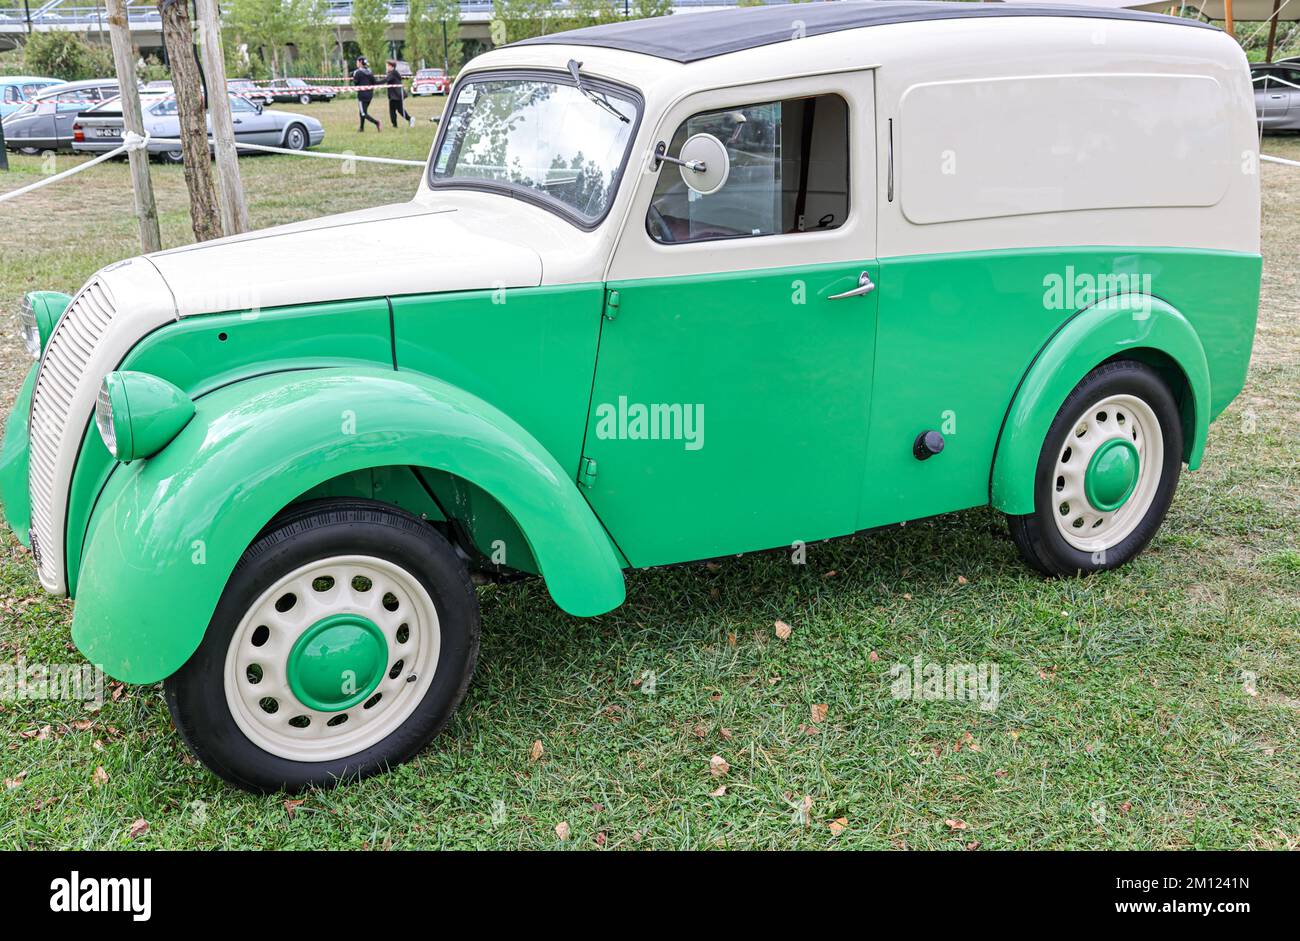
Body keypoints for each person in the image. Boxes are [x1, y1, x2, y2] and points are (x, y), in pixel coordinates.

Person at [352, 56, 381, 133]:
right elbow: (374, 82)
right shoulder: (369, 72)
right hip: (369, 95)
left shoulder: (357, 72)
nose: (356, 63)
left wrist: (353, 76)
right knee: (362, 111)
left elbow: (355, 83)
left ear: (360, 62)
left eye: (357, 62)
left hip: (362, 96)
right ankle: (361, 128)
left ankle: (376, 122)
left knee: (363, 113)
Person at [385, 59, 413, 128]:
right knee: (394, 110)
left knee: (397, 110)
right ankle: (395, 124)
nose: (386, 67)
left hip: (396, 96)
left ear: (391, 67)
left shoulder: (393, 73)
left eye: (387, 66)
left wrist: (374, 83)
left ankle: (410, 119)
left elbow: (385, 80)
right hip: (394, 96)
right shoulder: (392, 73)